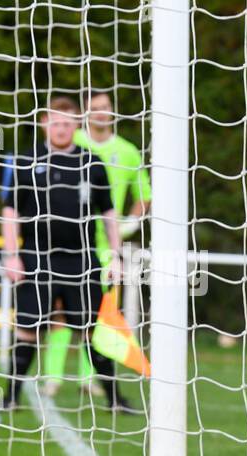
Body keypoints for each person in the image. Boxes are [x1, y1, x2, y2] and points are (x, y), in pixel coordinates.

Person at [0, 95, 139, 417]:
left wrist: (115, 255)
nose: (61, 128)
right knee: (28, 328)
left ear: (77, 125)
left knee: (92, 330)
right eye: (55, 122)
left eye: (67, 122)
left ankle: (115, 398)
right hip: (36, 258)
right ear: (44, 123)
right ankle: (10, 397)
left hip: (81, 259)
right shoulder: (27, 161)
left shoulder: (91, 162)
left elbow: (108, 212)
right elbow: (10, 210)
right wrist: (11, 255)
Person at [42, 88, 153, 396]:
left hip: (108, 248)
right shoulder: (74, 143)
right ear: (86, 114)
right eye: (96, 108)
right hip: (72, 242)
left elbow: (144, 194)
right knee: (60, 311)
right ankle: (53, 376)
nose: (102, 112)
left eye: (106, 106)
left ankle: (88, 379)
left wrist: (128, 225)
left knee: (96, 315)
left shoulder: (127, 150)